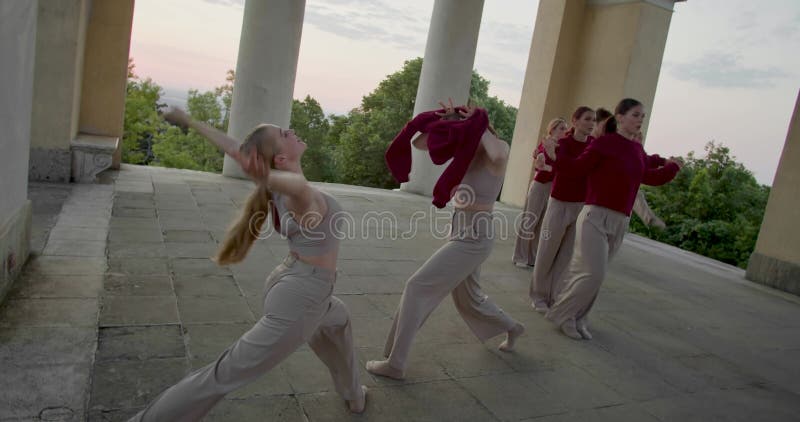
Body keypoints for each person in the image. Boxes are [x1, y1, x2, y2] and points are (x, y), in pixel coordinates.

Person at [128, 107, 367, 421]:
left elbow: (237, 149)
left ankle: (354, 395)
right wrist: (258, 170)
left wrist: (190, 121)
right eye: (284, 134)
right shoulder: (297, 192)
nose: (291, 131)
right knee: (222, 375)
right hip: (302, 297)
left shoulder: (279, 190)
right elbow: (265, 170)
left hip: (298, 284)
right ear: (280, 159)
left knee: (340, 322)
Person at [367, 101, 525, 380]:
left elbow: (500, 156)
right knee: (471, 298)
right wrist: (441, 118)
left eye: (462, 125)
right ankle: (512, 327)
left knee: (417, 286)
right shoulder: (464, 150)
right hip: (461, 229)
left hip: (475, 236)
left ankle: (396, 363)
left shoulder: (495, 148)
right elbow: (421, 144)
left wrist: (479, 123)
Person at [541, 98, 682, 340]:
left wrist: (672, 168)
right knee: (593, 273)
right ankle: (563, 314)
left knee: (599, 274)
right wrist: (554, 155)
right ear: (620, 117)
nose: (640, 120)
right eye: (636, 115)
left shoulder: (637, 150)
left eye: (643, 116)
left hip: (620, 221)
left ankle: (579, 318)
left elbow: (649, 177)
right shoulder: (604, 144)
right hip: (595, 217)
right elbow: (576, 168)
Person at [529, 107, 595, 313]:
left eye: (593, 120)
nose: (591, 123)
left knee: (566, 255)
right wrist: (545, 155)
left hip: (581, 205)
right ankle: (538, 296)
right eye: (587, 119)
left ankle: (554, 295)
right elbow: (549, 166)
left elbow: (584, 169)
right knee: (547, 251)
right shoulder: (562, 144)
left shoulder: (594, 146)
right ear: (575, 121)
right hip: (559, 202)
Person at [594, 108, 667, 229]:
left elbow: (642, 162)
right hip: (591, 192)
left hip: (607, 192)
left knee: (635, 191)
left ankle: (649, 219)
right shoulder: (595, 143)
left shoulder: (616, 142)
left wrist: (638, 145)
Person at [512, 118, 568, 267]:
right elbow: (539, 164)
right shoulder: (546, 143)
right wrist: (541, 160)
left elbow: (561, 166)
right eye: (562, 128)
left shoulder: (562, 146)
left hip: (552, 187)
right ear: (553, 129)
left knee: (542, 223)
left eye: (566, 128)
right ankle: (520, 257)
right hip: (539, 186)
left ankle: (531, 257)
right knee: (529, 221)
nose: (565, 131)